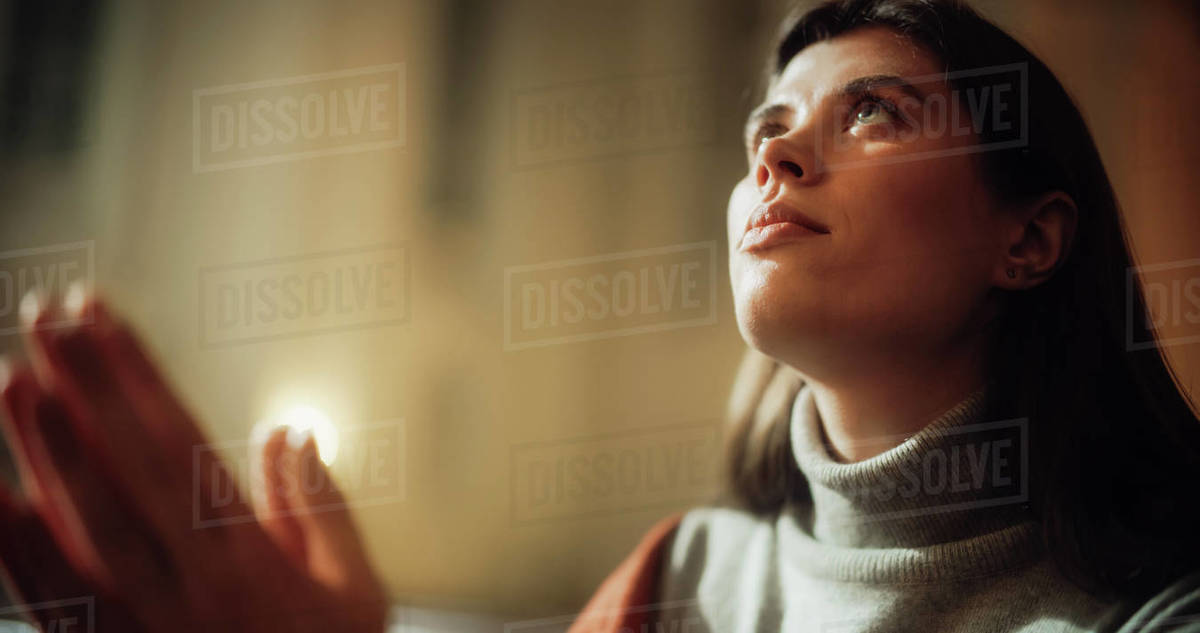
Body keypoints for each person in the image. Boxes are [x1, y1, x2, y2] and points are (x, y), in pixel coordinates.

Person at [1, 1, 1198, 632]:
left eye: (873, 112)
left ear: (1029, 240)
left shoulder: (1154, 615)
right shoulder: (677, 582)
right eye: (767, 128)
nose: (777, 156)